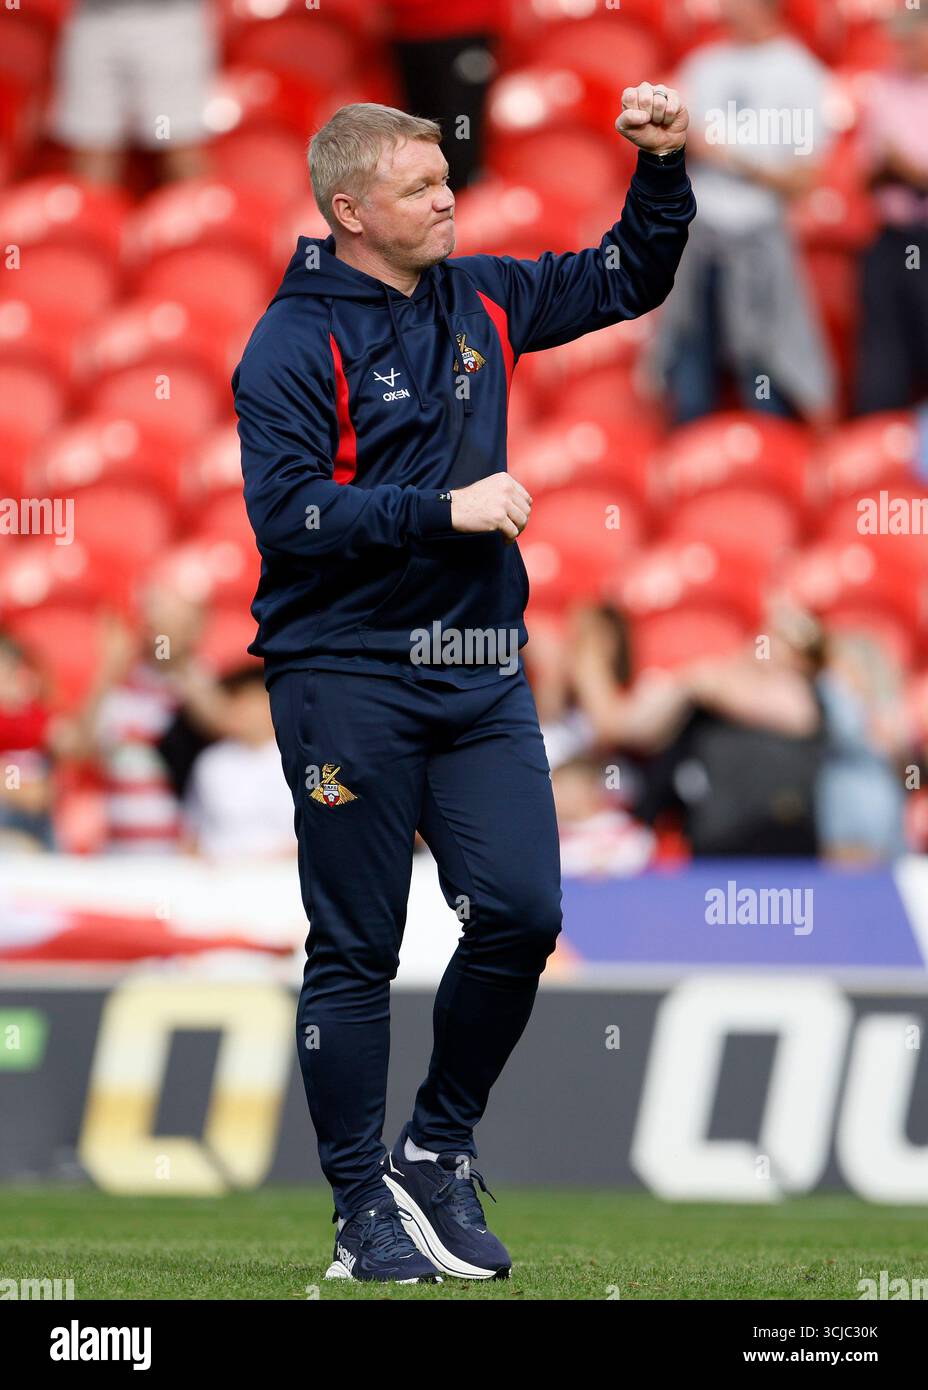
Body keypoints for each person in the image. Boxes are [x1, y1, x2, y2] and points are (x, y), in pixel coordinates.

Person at [232, 93, 695, 1283]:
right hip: (345, 676)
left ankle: (434, 1147)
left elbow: (627, 277)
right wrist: (444, 510)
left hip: (477, 669)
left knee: (526, 912)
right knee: (356, 948)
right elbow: (289, 515)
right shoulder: (292, 341)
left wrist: (659, 166)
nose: (449, 197)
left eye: (447, 177)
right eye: (421, 186)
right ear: (349, 211)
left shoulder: (479, 292)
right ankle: (356, 1208)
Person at [651, 0, 835, 426]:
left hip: (759, 238)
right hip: (696, 236)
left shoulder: (800, 73)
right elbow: (670, 143)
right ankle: (690, 469)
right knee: (689, 356)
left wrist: (730, 157)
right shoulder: (704, 64)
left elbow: (802, 180)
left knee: (764, 364)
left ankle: (766, 466)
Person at [49, 0, 217, 184]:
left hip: (167, 21)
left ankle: (192, 211)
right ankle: (100, 212)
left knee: (175, 142)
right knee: (93, 147)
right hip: (95, 19)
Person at [854, 7, 928, 414]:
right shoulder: (884, 89)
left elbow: (902, 165)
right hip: (893, 238)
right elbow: (871, 173)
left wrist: (907, 169)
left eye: (915, 37)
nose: (906, 47)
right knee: (882, 371)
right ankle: (877, 462)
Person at [183, 664, 296, 862]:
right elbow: (193, 831)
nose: (241, 710)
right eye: (234, 701)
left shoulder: (303, 761)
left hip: (285, 877)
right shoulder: (211, 762)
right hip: (220, 878)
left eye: (249, 702)